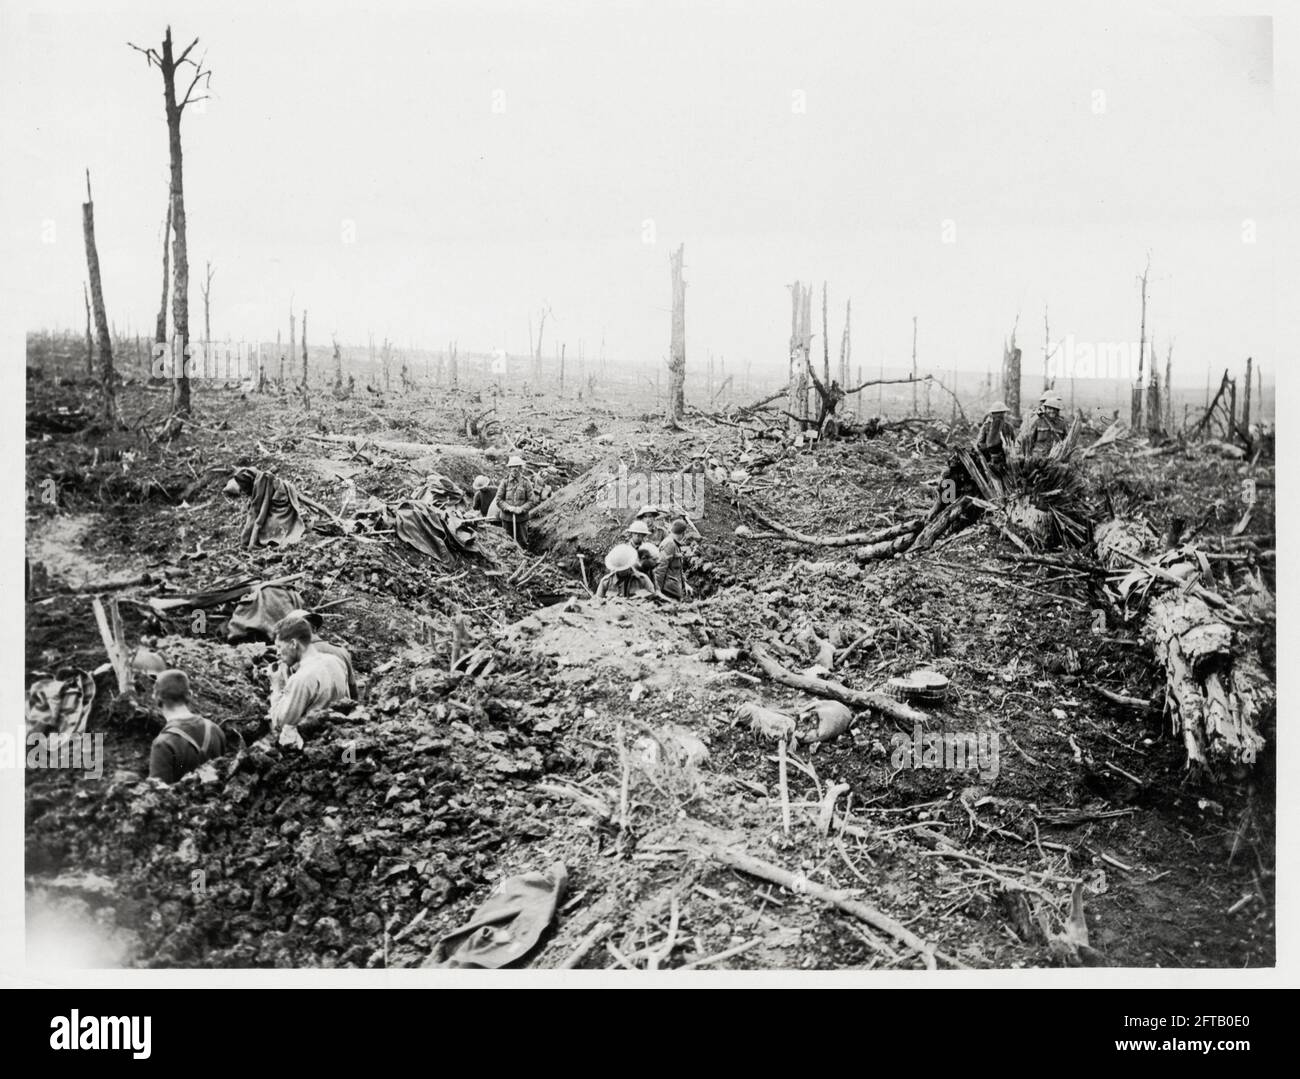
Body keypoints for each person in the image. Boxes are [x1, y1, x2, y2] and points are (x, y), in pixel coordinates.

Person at [269, 615, 350, 731]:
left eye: (279, 646)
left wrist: (277, 686)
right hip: (338, 734)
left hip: (314, 740)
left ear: (293, 644)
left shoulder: (301, 678)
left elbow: (281, 724)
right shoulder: (336, 661)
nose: (277, 653)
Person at [148, 670, 227, 785]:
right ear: (189, 694)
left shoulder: (163, 744)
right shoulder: (215, 730)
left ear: (156, 698)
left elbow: (157, 797)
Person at [283, 608, 357, 698]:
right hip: (342, 710)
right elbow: (352, 689)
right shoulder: (341, 651)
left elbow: (289, 695)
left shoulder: (295, 655)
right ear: (314, 629)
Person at [594, 543, 660, 598]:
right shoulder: (606, 582)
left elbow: (653, 602)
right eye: (619, 569)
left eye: (624, 568)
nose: (621, 571)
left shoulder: (643, 580)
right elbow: (597, 604)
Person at [497, 455, 536, 548]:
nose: (515, 469)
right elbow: (498, 500)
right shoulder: (504, 482)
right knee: (507, 543)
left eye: (517, 466)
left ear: (520, 468)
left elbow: (532, 501)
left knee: (522, 542)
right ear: (509, 468)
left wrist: (521, 509)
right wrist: (508, 507)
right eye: (513, 467)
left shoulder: (526, 482)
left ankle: (523, 559)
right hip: (507, 519)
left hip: (521, 520)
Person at [1018, 391, 1067, 457]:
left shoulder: (1061, 423)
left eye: (1055, 407)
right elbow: (1024, 438)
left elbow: (1066, 440)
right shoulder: (1035, 418)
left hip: (1055, 456)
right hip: (1038, 456)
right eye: (1050, 407)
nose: (1052, 410)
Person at [654, 519, 692, 600]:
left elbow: (678, 569)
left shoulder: (675, 544)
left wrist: (685, 584)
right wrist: (658, 592)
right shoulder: (669, 544)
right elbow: (660, 569)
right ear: (683, 533)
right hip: (668, 592)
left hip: (674, 591)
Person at [974, 400, 1016, 465]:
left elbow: (1013, 443)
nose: (999, 415)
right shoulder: (986, 426)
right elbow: (980, 443)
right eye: (997, 413)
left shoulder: (1008, 427)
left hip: (1005, 458)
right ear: (992, 414)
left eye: (1001, 413)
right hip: (989, 458)